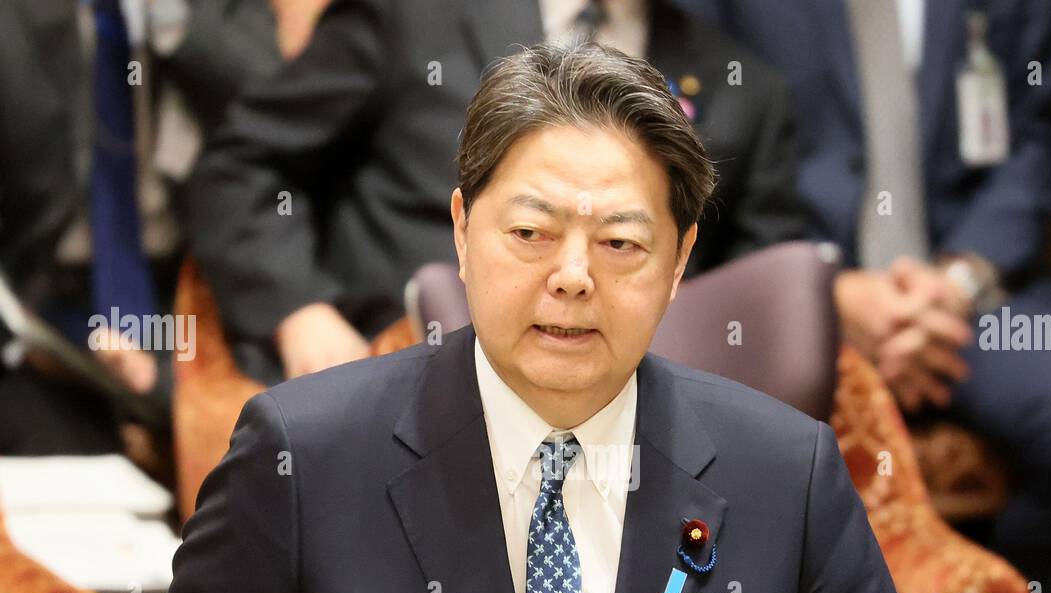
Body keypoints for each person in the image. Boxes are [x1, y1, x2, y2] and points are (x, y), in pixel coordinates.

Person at [100, 42, 961, 593]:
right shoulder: (301, 462)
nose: (574, 275)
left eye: (622, 242)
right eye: (531, 232)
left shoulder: (787, 478)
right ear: (463, 232)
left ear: (680, 261)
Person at [677, 0, 1051, 593]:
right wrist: (824, 291)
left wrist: (953, 284)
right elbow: (692, 139)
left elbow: (1037, 144)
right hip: (784, 285)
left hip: (970, 291)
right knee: (712, 453)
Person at [188, 0, 812, 385]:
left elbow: (765, 297)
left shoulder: (747, 88)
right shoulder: (411, 14)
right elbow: (244, 164)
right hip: (401, 370)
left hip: (629, 414)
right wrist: (301, 312)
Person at [0, 0, 280, 457]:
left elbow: (281, 117)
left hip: (194, 300)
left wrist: (175, 21)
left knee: (283, 446)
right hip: (44, 311)